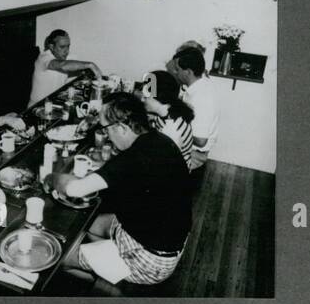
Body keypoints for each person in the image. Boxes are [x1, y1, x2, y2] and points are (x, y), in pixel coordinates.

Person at [55, 91, 191, 291]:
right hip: (163, 236)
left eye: (105, 129)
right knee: (91, 223)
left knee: (61, 258)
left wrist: (54, 176)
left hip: (151, 259)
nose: (106, 136)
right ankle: (107, 265)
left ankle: (110, 285)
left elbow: (74, 189)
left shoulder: (133, 158)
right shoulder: (159, 139)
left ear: (121, 127)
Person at [165, 43, 220, 179]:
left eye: (177, 70)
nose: (175, 73)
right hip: (189, 147)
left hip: (194, 154)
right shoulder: (200, 83)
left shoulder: (202, 98)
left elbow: (201, 140)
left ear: (188, 72)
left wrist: (171, 128)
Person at [136, 69, 195, 169]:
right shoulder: (169, 111)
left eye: (146, 97)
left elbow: (161, 165)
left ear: (159, 98)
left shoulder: (171, 130)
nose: (142, 99)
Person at [29, 29, 102, 106]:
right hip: (36, 107)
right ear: (51, 46)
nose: (66, 51)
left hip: (54, 104)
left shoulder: (66, 57)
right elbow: (63, 65)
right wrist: (90, 65)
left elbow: (72, 78)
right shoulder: (43, 58)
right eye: (62, 47)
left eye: (68, 46)